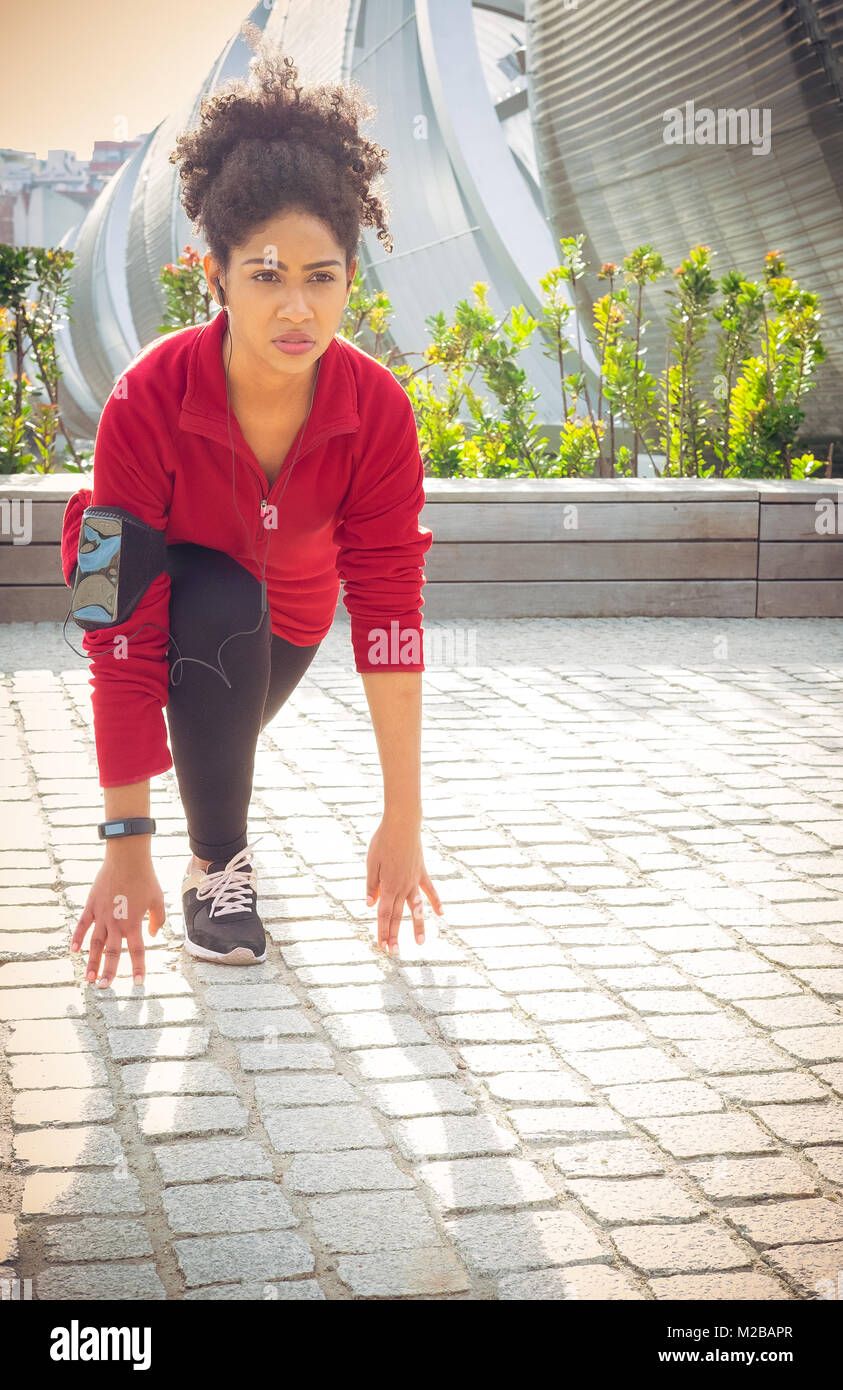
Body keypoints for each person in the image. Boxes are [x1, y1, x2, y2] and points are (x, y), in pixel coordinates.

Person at [64, 31, 442, 988]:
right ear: (214, 275)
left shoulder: (378, 414)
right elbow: (113, 627)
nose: (297, 311)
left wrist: (402, 821)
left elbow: (392, 616)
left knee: (237, 644)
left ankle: (208, 831)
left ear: (351, 278)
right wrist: (125, 841)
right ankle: (219, 869)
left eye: (322, 279)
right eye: (265, 275)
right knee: (216, 597)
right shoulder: (142, 402)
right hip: (176, 606)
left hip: (290, 631)